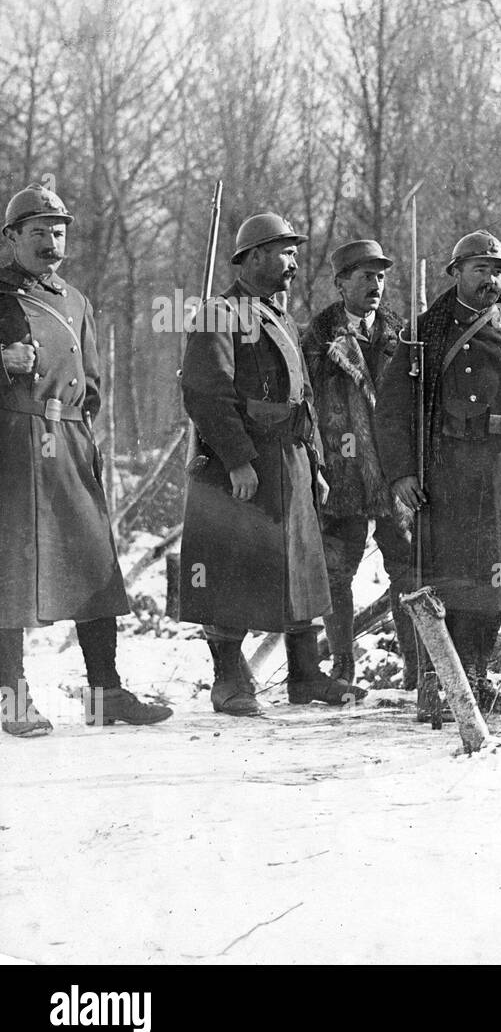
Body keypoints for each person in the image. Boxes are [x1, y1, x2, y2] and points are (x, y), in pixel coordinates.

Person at [376, 230, 501, 714]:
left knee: (498, 582)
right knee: (454, 581)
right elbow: (390, 410)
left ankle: (477, 677)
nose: (490, 279)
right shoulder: (426, 331)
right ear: (457, 274)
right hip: (453, 473)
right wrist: (402, 472)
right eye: (479, 270)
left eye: (496, 270)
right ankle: (444, 679)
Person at [0, 183, 171, 736]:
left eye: (58, 231)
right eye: (38, 232)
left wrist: (83, 433)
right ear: (11, 238)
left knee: (95, 565)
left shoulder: (75, 300)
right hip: (15, 443)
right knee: (14, 572)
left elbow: (91, 383)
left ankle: (107, 693)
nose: (51, 242)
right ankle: (11, 700)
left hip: (69, 442)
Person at [180, 212, 365, 716]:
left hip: (292, 459)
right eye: (285, 252)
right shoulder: (220, 313)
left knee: (301, 568)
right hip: (242, 466)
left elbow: (303, 400)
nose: (294, 262)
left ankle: (305, 676)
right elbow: (207, 394)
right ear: (254, 255)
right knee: (232, 571)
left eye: (294, 252)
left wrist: (319, 465)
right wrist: (239, 460)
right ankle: (227, 682)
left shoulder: (279, 316)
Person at [303, 239, 419, 690]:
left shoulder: (401, 334)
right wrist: (317, 466)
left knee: (407, 567)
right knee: (337, 573)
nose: (375, 285)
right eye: (365, 276)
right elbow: (305, 405)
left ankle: (415, 667)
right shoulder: (317, 339)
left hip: (394, 473)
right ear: (341, 283)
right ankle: (342, 668)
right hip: (342, 472)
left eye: (380, 276)